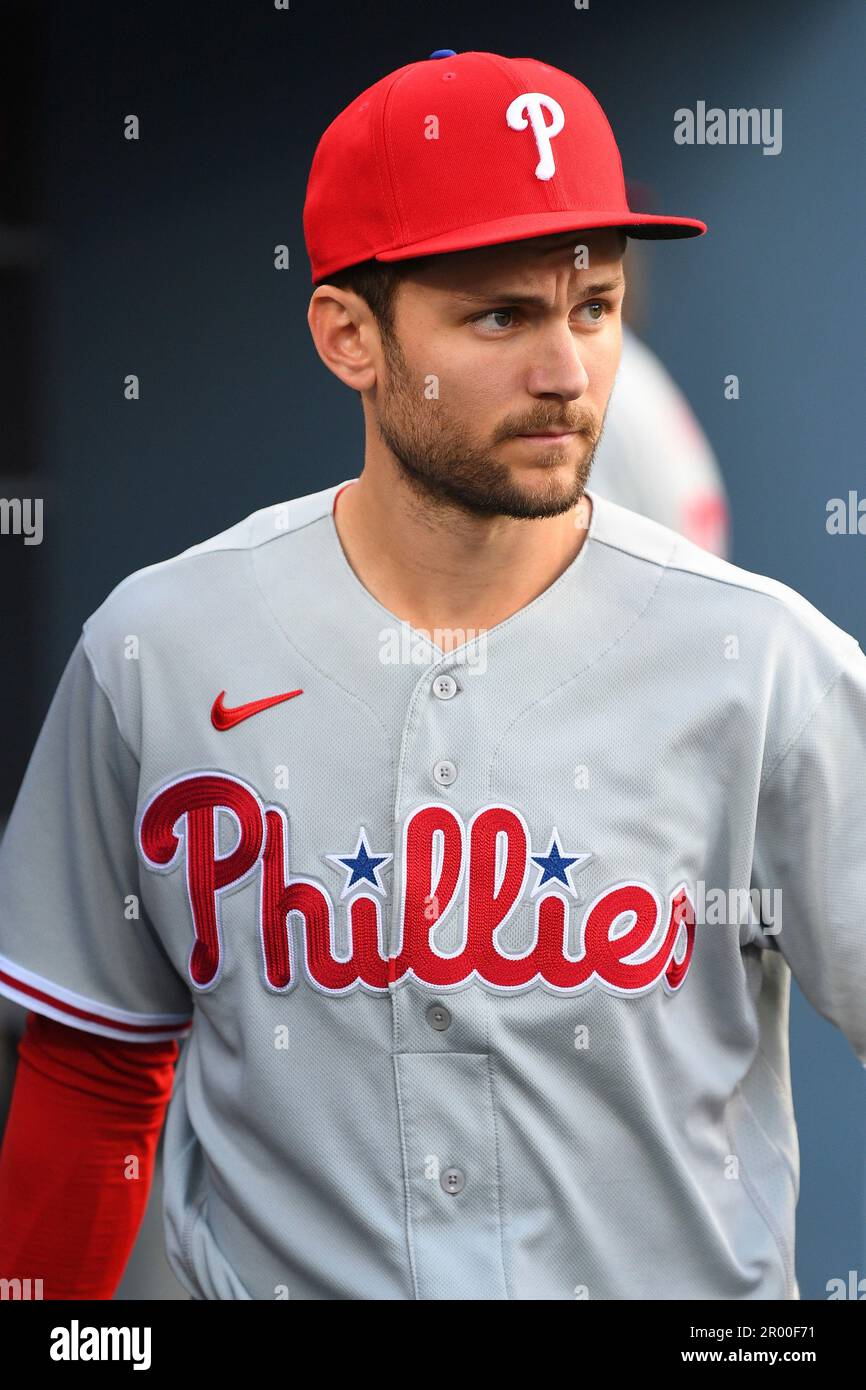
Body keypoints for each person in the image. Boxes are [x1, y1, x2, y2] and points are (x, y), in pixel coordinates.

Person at [0, 49, 863, 1302]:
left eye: (593, 307)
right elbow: (92, 1071)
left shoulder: (763, 662)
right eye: (500, 315)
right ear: (349, 333)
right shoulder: (161, 649)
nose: (566, 371)